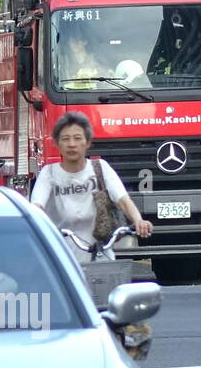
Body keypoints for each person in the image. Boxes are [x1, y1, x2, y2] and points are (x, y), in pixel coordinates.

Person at [30, 112, 154, 263]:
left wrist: (138, 221)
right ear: (56, 143)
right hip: (61, 257)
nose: (71, 144)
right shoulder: (48, 173)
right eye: (65, 139)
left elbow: (123, 200)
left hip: (101, 252)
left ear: (88, 143)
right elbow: (37, 207)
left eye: (77, 138)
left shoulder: (100, 168)